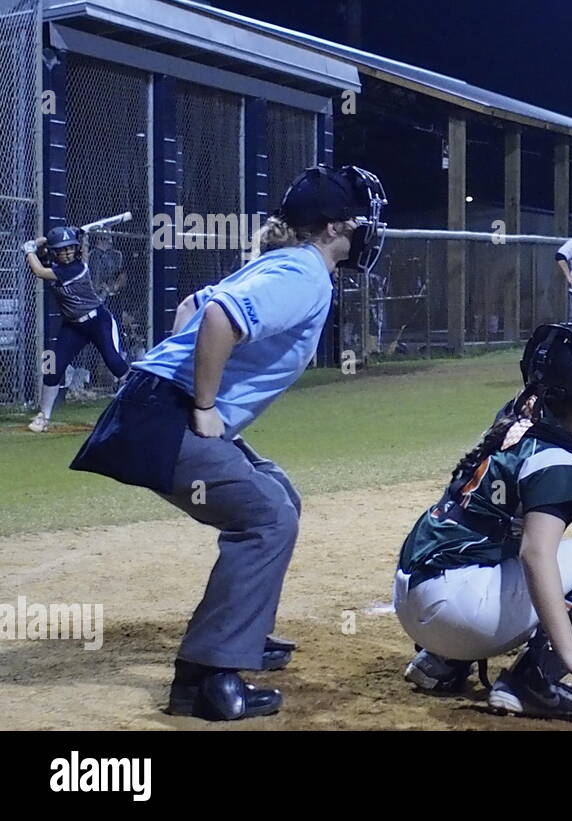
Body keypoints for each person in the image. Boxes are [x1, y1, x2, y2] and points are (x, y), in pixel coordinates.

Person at [68, 165, 388, 721]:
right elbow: (217, 317)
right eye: (360, 221)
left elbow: (192, 306)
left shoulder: (287, 264)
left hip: (153, 406)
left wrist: (180, 377)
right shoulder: (306, 273)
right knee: (266, 519)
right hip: (159, 419)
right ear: (336, 227)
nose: (367, 231)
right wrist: (205, 404)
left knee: (278, 495)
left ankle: (245, 632)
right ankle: (206, 679)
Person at [394, 323, 572, 719]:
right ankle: (532, 682)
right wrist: (570, 653)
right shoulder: (556, 459)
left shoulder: (518, 416)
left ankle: (442, 662)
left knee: (499, 538)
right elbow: (536, 554)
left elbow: (538, 477)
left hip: (415, 593)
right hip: (462, 611)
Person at [23, 226, 131, 433]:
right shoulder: (55, 263)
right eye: (62, 250)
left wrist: (28, 249)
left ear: (76, 249)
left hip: (97, 321)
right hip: (73, 326)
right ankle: (43, 415)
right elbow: (43, 255)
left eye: (69, 248)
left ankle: (140, 401)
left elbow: (38, 270)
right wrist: (48, 240)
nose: (66, 253)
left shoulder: (74, 268)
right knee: (52, 366)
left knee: (114, 361)